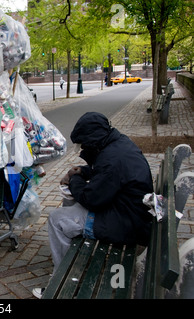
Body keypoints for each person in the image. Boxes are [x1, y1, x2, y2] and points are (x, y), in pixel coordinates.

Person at [32, 112, 154, 298]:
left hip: (124, 224)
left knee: (56, 220)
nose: (83, 148)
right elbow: (105, 173)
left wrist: (74, 180)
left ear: (92, 140)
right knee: (69, 208)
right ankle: (70, 258)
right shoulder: (118, 145)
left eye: (84, 144)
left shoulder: (112, 158)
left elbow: (92, 199)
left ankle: (61, 282)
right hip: (129, 214)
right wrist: (82, 171)